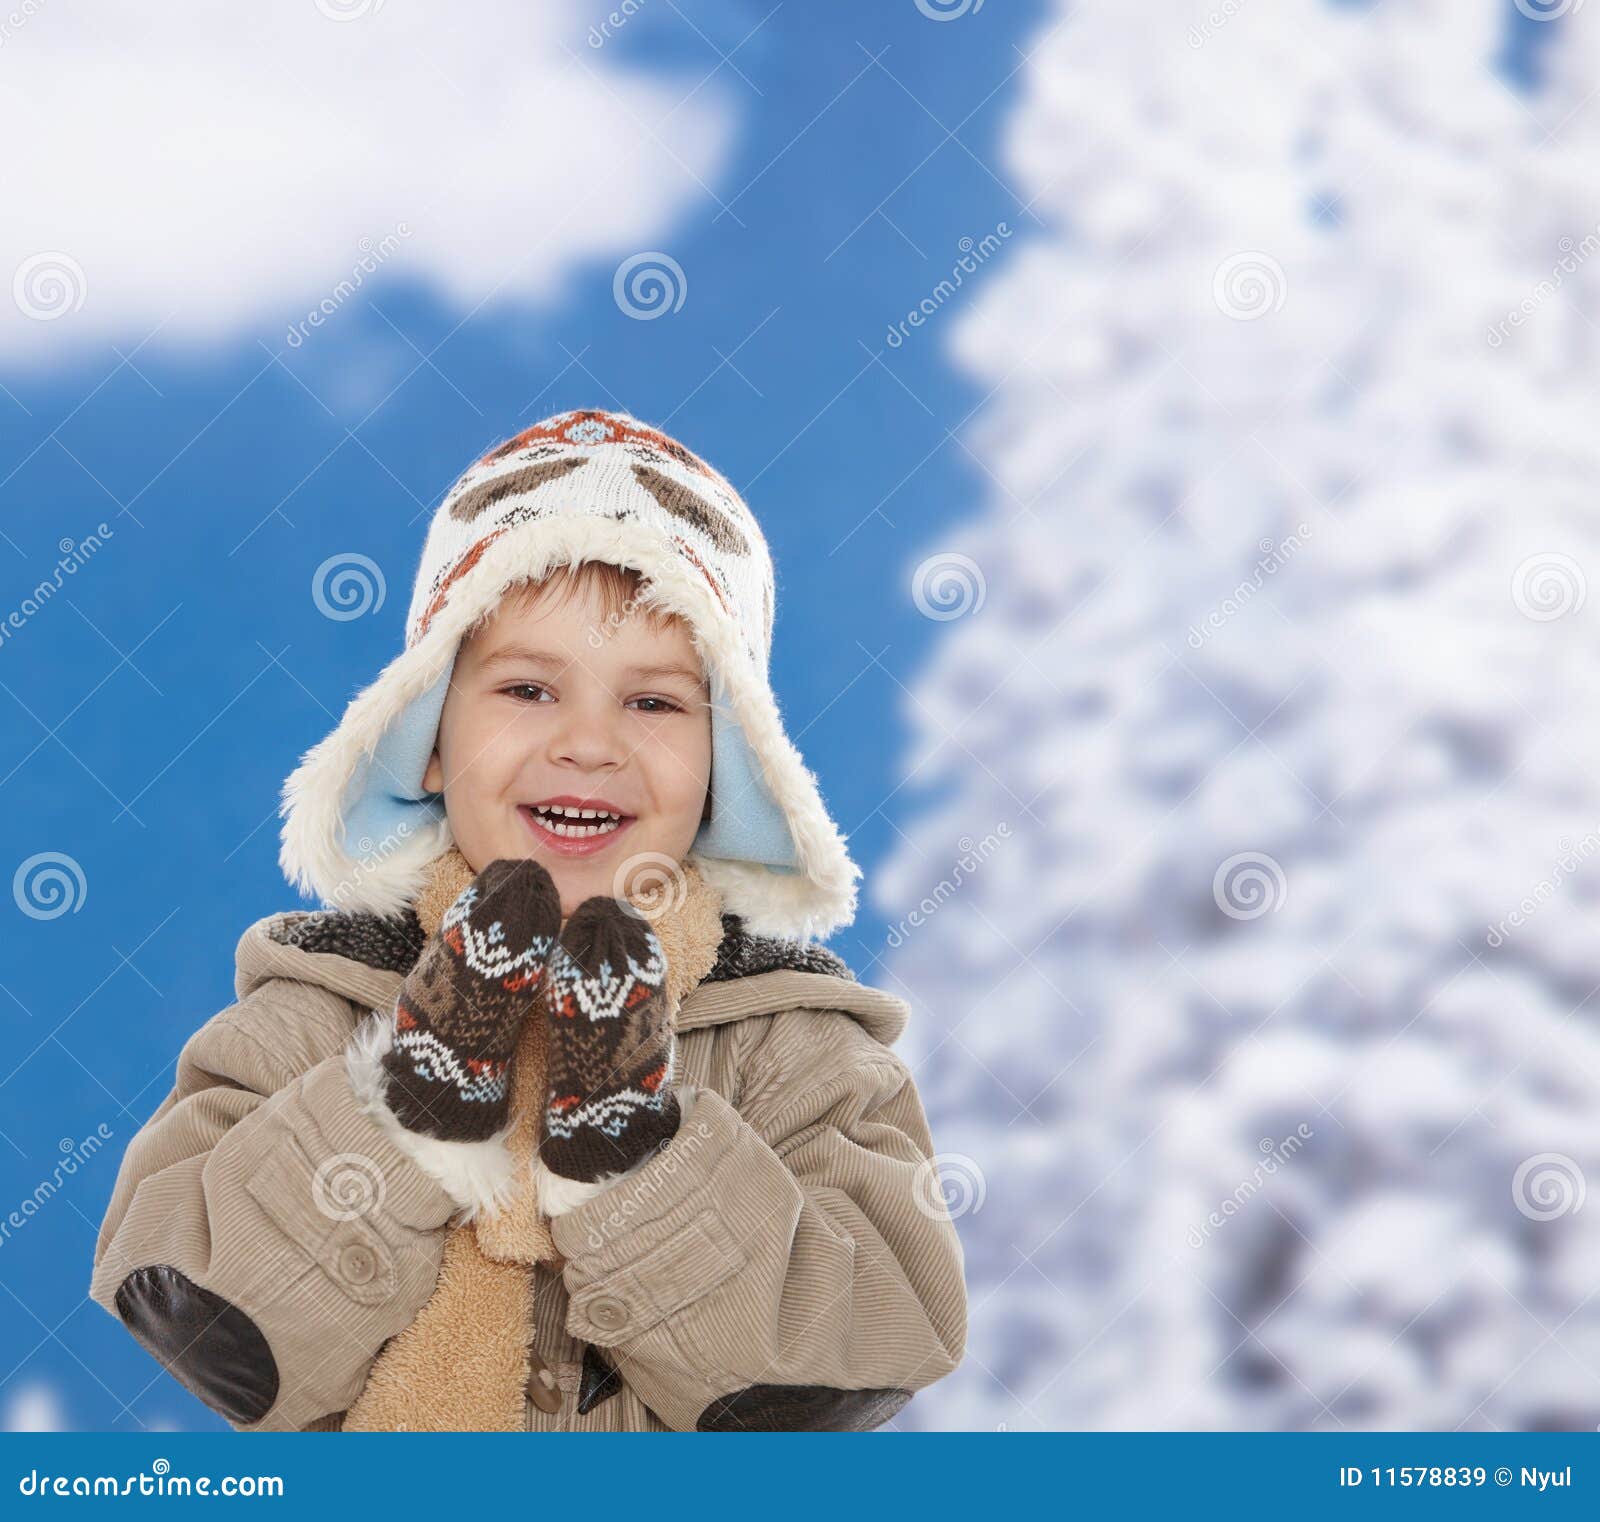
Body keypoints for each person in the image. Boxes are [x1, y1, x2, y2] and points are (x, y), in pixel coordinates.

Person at [89, 407, 968, 1431]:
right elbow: (195, 1304)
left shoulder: (790, 1037)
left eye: (654, 703)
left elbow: (858, 1358)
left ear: (733, 766)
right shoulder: (328, 998)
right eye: (527, 687)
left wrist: (635, 1149)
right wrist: (405, 1102)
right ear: (424, 735)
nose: (589, 743)